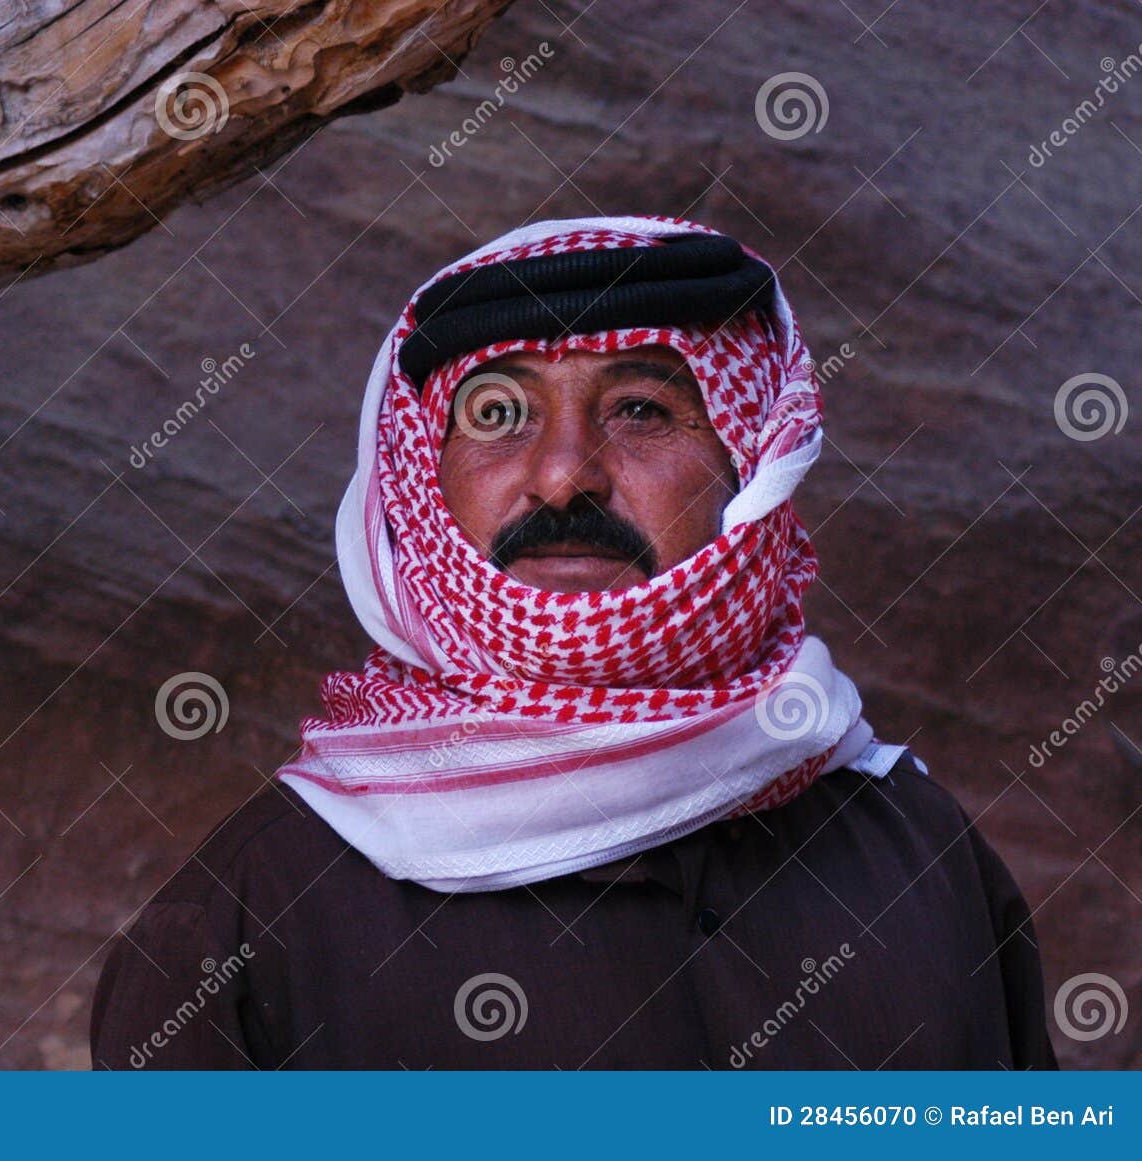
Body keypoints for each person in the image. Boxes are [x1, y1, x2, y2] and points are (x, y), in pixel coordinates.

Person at [89, 215, 1059, 1069]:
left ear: (750, 459)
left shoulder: (917, 853)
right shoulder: (246, 918)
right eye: (497, 415)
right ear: (418, 487)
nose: (562, 478)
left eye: (640, 410)